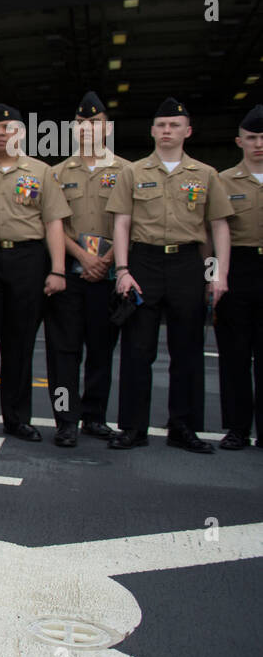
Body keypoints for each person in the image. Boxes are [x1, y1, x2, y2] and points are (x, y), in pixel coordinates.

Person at [108, 97, 232, 452]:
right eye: (161, 125)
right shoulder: (132, 172)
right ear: (152, 130)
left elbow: (218, 227)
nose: (167, 131)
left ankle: (184, 427)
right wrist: (122, 269)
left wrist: (217, 274)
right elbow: (122, 222)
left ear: (187, 131)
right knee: (137, 351)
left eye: (174, 125)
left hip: (187, 265)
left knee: (188, 351)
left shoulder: (206, 175)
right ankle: (133, 428)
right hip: (143, 263)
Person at [0, 103, 70, 441]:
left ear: (21, 133)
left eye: (8, 129)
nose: (1, 134)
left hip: (28, 259)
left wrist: (59, 270)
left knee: (20, 343)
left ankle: (17, 418)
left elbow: (53, 223)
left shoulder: (42, 172)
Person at [43, 92, 129, 447]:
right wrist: (83, 255)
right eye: (81, 125)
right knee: (64, 353)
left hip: (108, 276)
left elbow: (133, 223)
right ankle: (66, 420)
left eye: (94, 123)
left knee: (100, 350)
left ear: (106, 128)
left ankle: (94, 417)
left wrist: (107, 261)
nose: (88, 129)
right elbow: (53, 223)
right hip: (71, 275)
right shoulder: (56, 174)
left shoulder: (127, 171)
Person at [213, 104, 263, 450]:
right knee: (234, 354)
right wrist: (215, 277)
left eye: (262, 138)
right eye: (252, 138)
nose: (259, 144)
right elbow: (213, 234)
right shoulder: (223, 181)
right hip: (238, 268)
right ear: (239, 141)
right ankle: (237, 428)